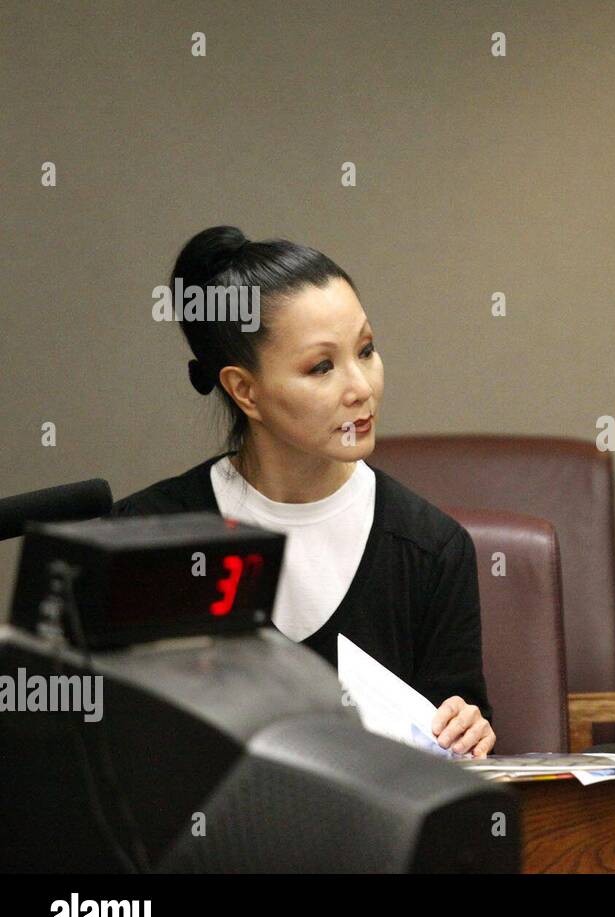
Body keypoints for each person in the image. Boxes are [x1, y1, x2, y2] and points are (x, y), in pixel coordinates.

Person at [112, 226, 495, 758]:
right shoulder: (144, 536)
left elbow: (459, 739)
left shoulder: (431, 548)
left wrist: (468, 729)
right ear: (245, 390)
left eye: (366, 350)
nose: (361, 386)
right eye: (322, 366)